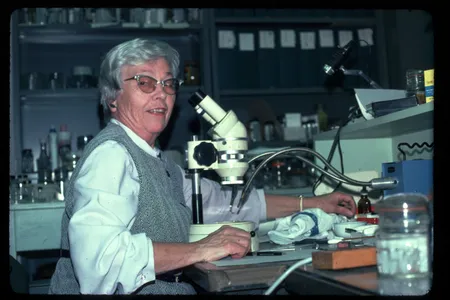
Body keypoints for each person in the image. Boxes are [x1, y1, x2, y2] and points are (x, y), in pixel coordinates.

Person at [48, 38, 356, 295]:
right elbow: (100, 261)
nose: (161, 92)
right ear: (113, 97)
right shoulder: (111, 155)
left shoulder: (160, 162)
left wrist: (316, 203)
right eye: (145, 82)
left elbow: (225, 204)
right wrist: (202, 249)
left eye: (168, 83)